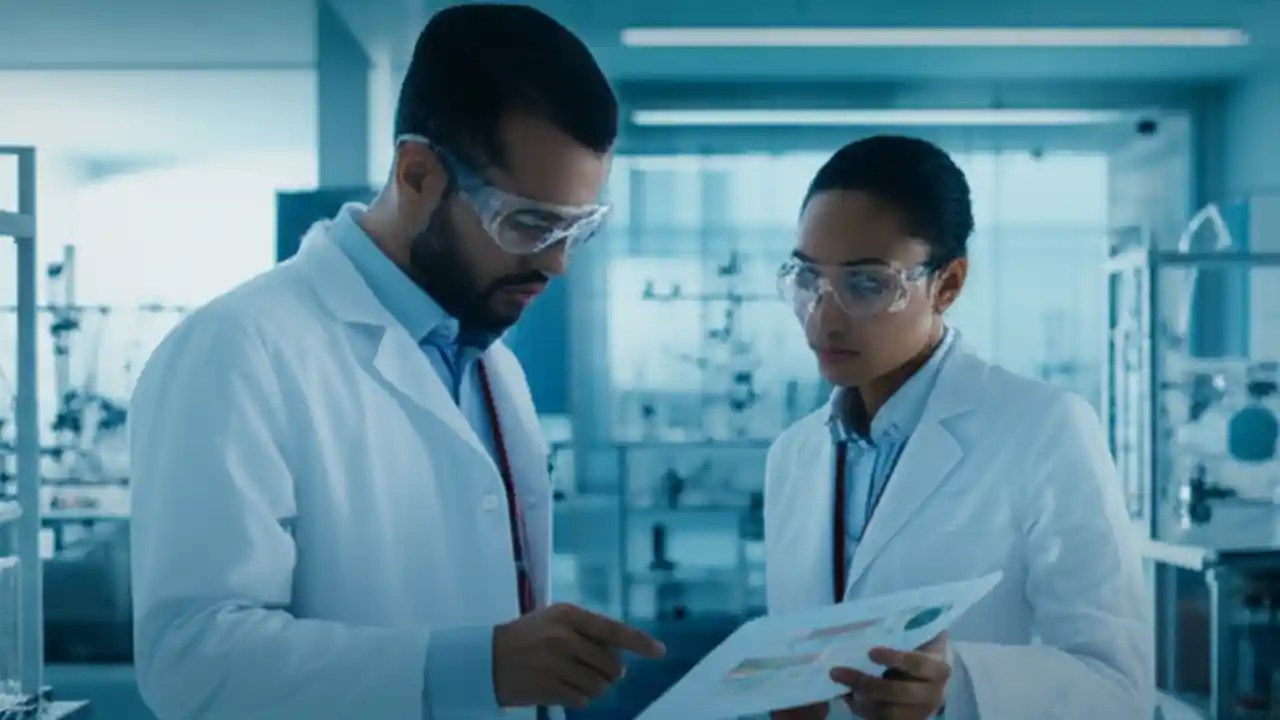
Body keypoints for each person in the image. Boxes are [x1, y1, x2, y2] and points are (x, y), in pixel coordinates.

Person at [128, 5, 664, 719]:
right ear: (417, 175)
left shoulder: (487, 363)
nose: (558, 263)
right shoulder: (236, 350)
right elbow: (192, 662)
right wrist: (481, 665)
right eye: (529, 223)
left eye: (576, 228)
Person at [763, 136, 1153, 720]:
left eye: (866, 283)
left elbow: (1119, 687)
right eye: (808, 279)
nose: (823, 314)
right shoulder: (794, 456)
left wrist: (955, 688)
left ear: (947, 285)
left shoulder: (1044, 430)